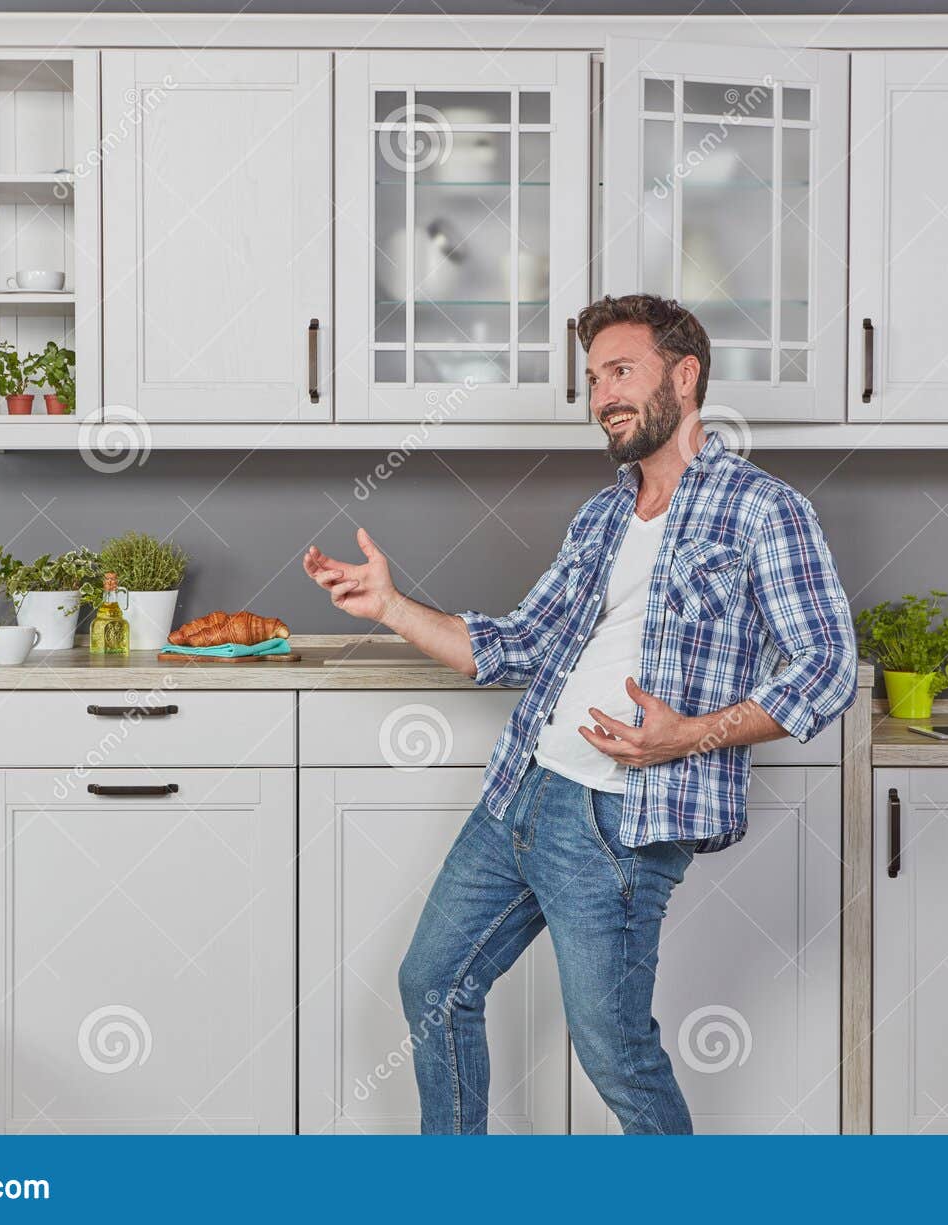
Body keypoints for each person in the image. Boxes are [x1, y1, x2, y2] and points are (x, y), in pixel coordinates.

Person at [302, 293, 856, 1134]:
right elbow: (516, 644)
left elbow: (828, 666)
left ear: (686, 373)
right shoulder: (601, 515)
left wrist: (692, 734)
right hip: (522, 790)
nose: (603, 396)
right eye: (595, 378)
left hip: (618, 820)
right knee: (433, 983)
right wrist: (390, 608)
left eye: (621, 371)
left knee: (612, 1048)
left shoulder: (763, 509)